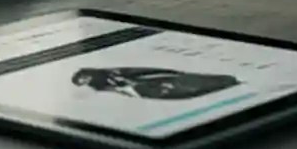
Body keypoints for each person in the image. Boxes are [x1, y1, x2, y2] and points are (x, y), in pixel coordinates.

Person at [72, 66, 240, 100]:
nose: (85, 82)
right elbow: (116, 90)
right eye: (82, 82)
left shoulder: (110, 73)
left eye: (84, 78)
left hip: (152, 81)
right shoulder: (100, 86)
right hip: (146, 88)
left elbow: (139, 71)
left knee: (191, 82)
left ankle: (227, 81)